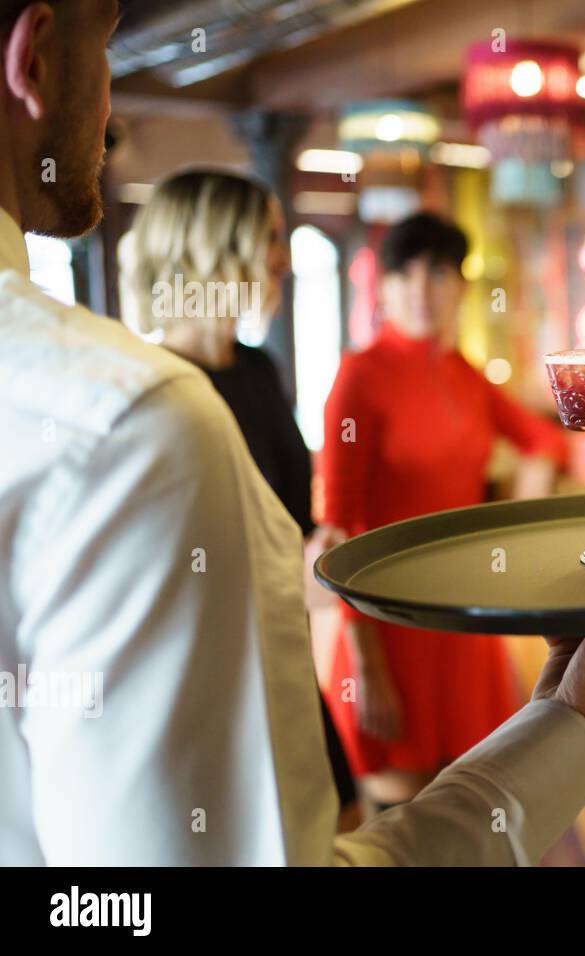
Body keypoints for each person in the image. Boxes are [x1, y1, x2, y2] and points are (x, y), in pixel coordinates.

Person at [0, 0, 585, 865]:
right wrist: (574, 722)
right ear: (36, 57)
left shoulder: (227, 385)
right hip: (380, 630)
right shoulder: (140, 421)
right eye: (106, 42)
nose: (110, 105)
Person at [118, 167, 359, 828]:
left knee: (342, 818)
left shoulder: (258, 367)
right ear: (213, 248)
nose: (284, 257)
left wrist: (317, 548)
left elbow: (288, 518)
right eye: (270, 238)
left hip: (283, 666)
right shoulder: (159, 389)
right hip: (215, 688)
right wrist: (290, 570)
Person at [320, 211, 570, 813]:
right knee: (403, 826)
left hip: (464, 624)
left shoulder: (465, 374)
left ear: (460, 286)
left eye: (437, 274)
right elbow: (340, 526)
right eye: (404, 275)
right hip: (388, 626)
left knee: (470, 817)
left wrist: (512, 535)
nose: (420, 290)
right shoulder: (360, 376)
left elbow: (547, 442)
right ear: (383, 286)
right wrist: (367, 663)